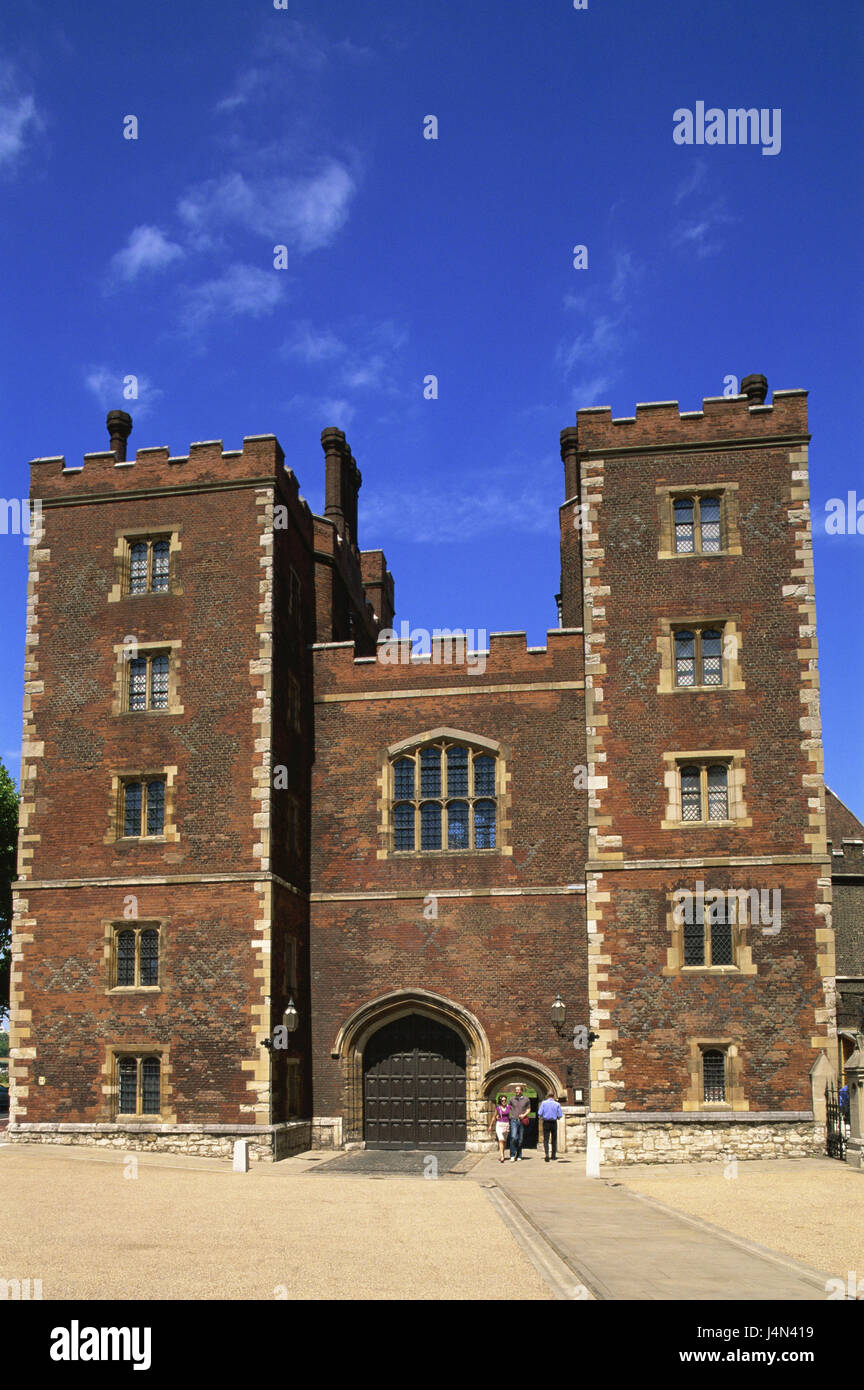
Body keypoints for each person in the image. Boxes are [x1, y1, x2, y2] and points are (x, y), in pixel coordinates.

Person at [538, 1090, 564, 1161]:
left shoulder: (544, 1103)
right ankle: (553, 1155)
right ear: (554, 1096)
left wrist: (542, 1117)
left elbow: (539, 1113)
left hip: (546, 1122)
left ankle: (546, 1154)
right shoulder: (557, 1104)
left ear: (547, 1095)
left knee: (546, 1139)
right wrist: (557, 1117)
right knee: (554, 1139)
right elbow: (560, 1115)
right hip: (553, 1122)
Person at [508, 1084, 531, 1160]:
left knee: (520, 1139)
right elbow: (508, 1108)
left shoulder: (526, 1099)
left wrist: (524, 1115)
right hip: (514, 1120)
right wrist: (511, 1114)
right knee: (513, 1137)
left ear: (521, 1091)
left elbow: (528, 1109)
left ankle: (519, 1155)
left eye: (518, 1090)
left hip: (522, 1121)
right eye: (516, 1090)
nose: (516, 1091)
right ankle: (512, 1154)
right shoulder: (512, 1099)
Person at [490, 1093, 511, 1162]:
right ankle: (502, 1156)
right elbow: (494, 1116)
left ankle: (503, 1153)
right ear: (500, 1101)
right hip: (499, 1124)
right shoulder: (498, 1108)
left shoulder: (509, 1107)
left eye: (505, 1100)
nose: (504, 1102)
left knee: (504, 1141)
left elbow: (512, 1114)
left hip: (506, 1124)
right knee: (501, 1139)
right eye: (502, 1100)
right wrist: (490, 1125)